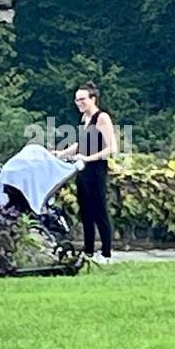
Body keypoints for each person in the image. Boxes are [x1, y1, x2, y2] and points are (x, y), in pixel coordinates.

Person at [55, 81, 117, 264]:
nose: (79, 103)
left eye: (82, 99)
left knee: (100, 211)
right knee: (86, 211)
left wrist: (89, 158)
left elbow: (111, 148)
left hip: (96, 170)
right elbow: (80, 145)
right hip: (82, 169)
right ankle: (88, 251)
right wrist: (61, 154)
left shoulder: (102, 118)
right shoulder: (84, 120)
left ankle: (106, 253)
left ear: (93, 99)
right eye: (76, 100)